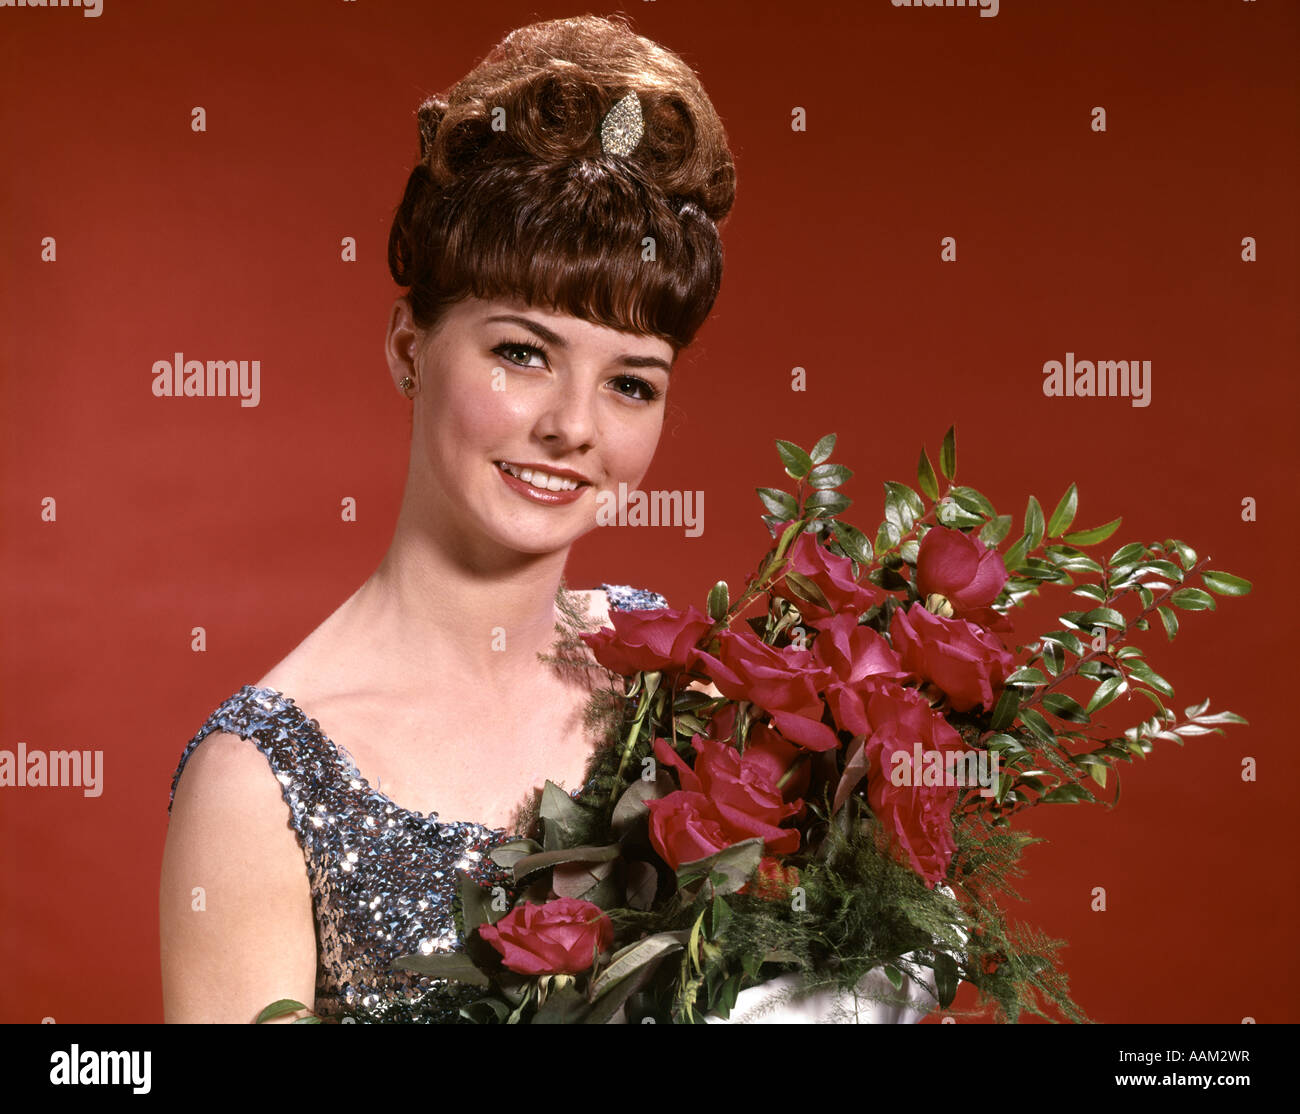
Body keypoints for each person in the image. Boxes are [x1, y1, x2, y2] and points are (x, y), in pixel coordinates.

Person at [159, 13, 734, 1024]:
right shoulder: (256, 784)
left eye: (631, 384)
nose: (571, 428)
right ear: (408, 347)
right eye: (521, 352)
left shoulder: (676, 691)